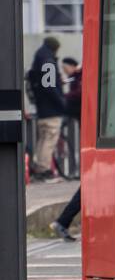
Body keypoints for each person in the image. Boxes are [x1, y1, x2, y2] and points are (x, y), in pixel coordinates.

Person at [27, 36, 65, 181]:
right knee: (49, 138)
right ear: (54, 48)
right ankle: (44, 170)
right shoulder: (47, 61)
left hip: (42, 107)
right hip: (50, 109)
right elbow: (49, 86)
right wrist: (61, 102)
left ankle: (39, 167)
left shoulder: (39, 57)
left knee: (43, 139)